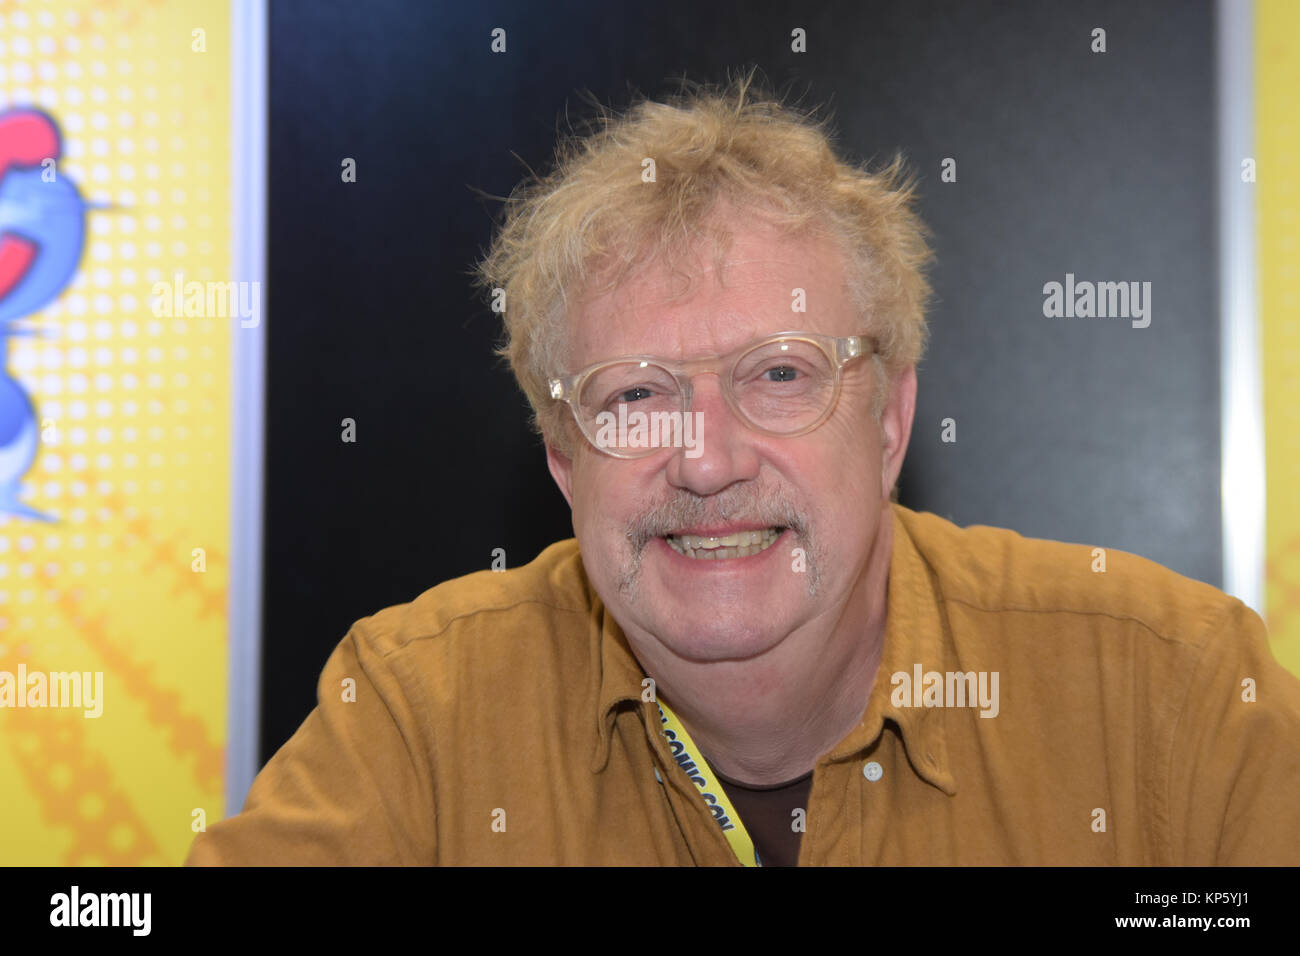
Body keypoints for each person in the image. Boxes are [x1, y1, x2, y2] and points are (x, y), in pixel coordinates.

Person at [186, 73, 1300, 866]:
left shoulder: (1175, 695)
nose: (706, 459)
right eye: (635, 394)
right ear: (564, 460)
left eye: (777, 375)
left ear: (888, 422)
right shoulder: (415, 710)